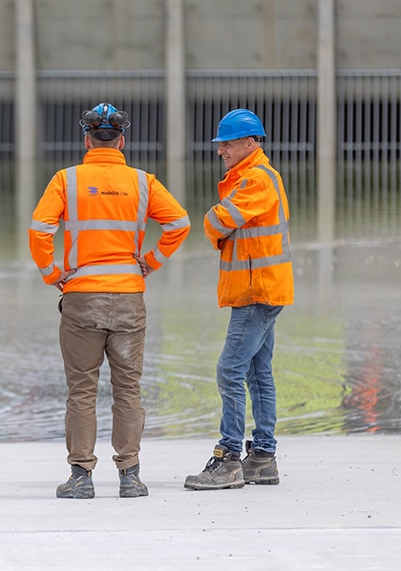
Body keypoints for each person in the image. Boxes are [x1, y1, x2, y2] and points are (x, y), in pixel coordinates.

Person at [29, 102, 190, 499]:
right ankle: (130, 476)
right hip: (129, 298)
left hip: (82, 297)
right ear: (123, 140)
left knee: (82, 390)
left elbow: (39, 231)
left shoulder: (66, 180)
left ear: (86, 140)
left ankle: (81, 477)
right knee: (128, 389)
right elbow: (180, 223)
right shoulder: (142, 182)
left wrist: (52, 274)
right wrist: (149, 262)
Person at [184, 108, 294, 490]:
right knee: (257, 373)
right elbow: (225, 225)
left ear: (251, 143)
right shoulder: (254, 178)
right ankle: (263, 458)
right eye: (220, 144)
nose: (221, 151)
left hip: (255, 292)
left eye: (228, 144)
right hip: (263, 290)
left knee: (229, 370)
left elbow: (215, 222)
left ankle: (229, 457)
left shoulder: (256, 180)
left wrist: (217, 229)